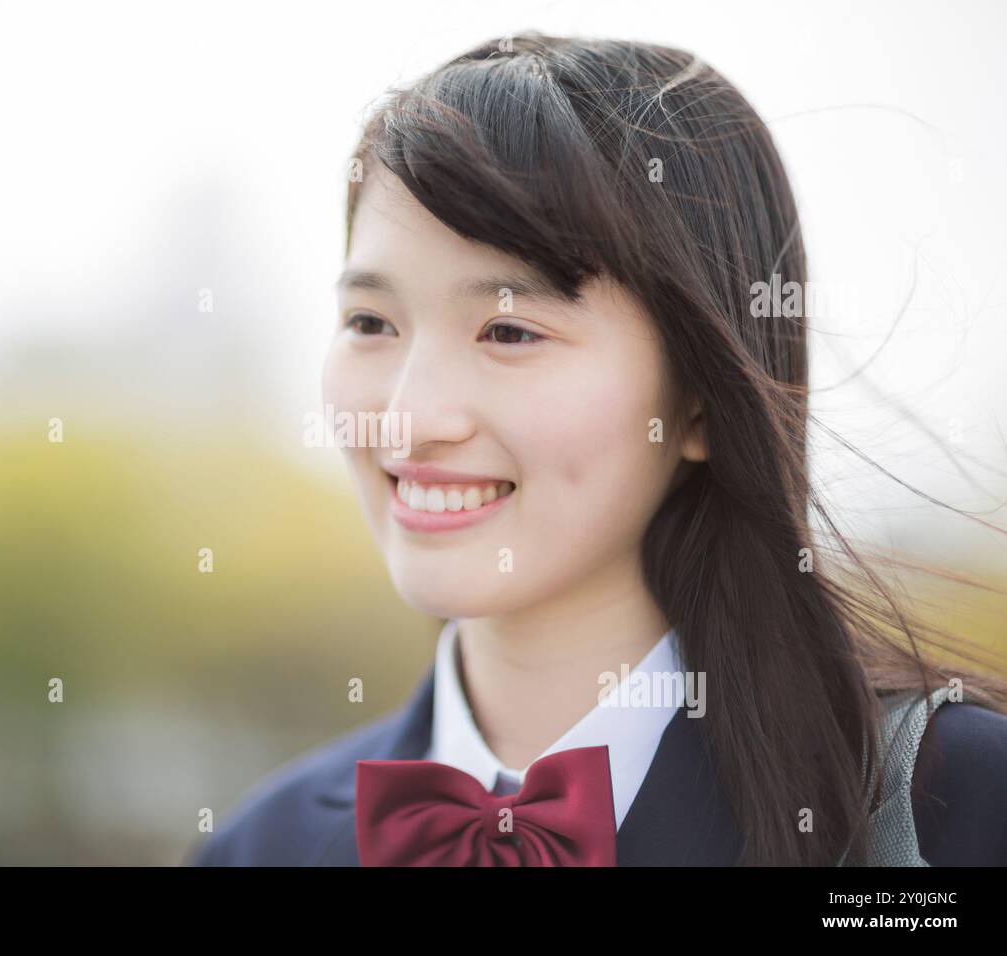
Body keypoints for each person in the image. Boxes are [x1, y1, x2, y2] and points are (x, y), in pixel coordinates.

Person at [187, 32, 1007, 866]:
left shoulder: (947, 810)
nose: (406, 420)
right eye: (371, 323)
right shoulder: (262, 846)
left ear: (698, 400)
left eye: (508, 329)